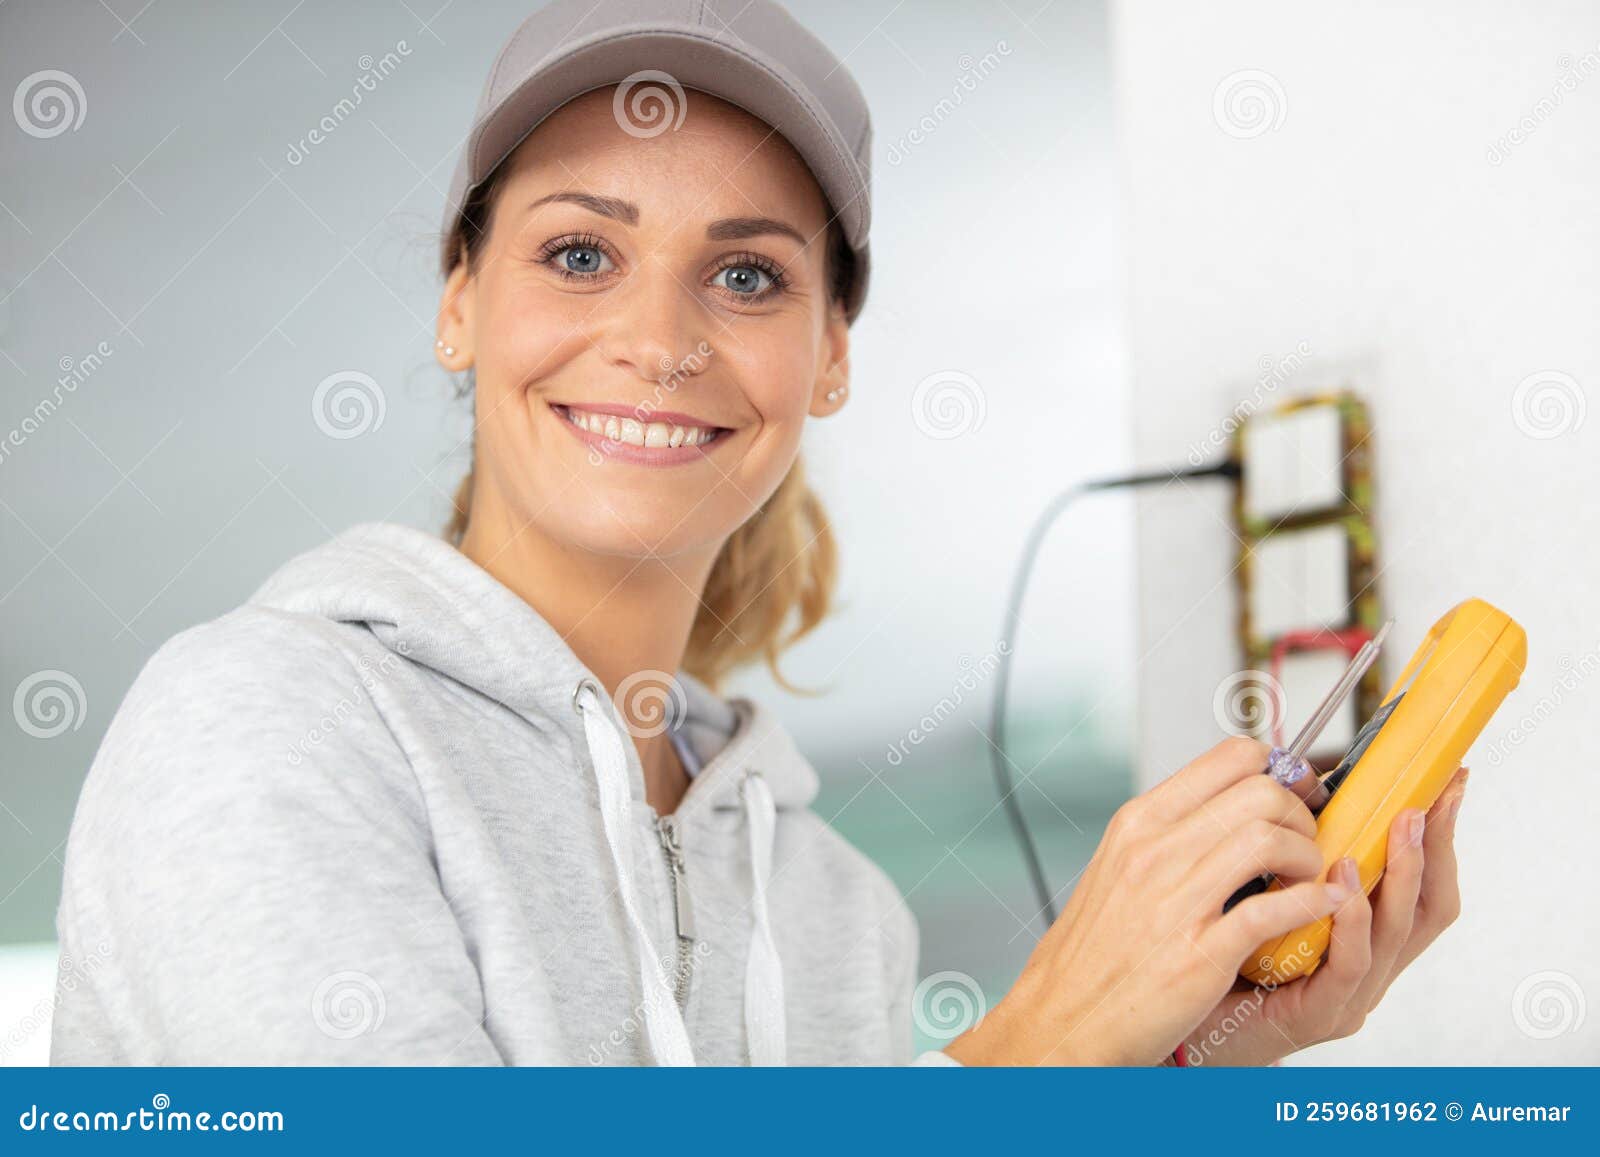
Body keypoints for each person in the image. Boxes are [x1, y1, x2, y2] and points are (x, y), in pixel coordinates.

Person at [49, 0, 1468, 1067]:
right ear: (459, 300)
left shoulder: (838, 908)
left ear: (829, 358)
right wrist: (1044, 1038)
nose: (658, 339)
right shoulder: (263, 723)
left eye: (744, 273)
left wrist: (1166, 1060)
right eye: (580, 252)